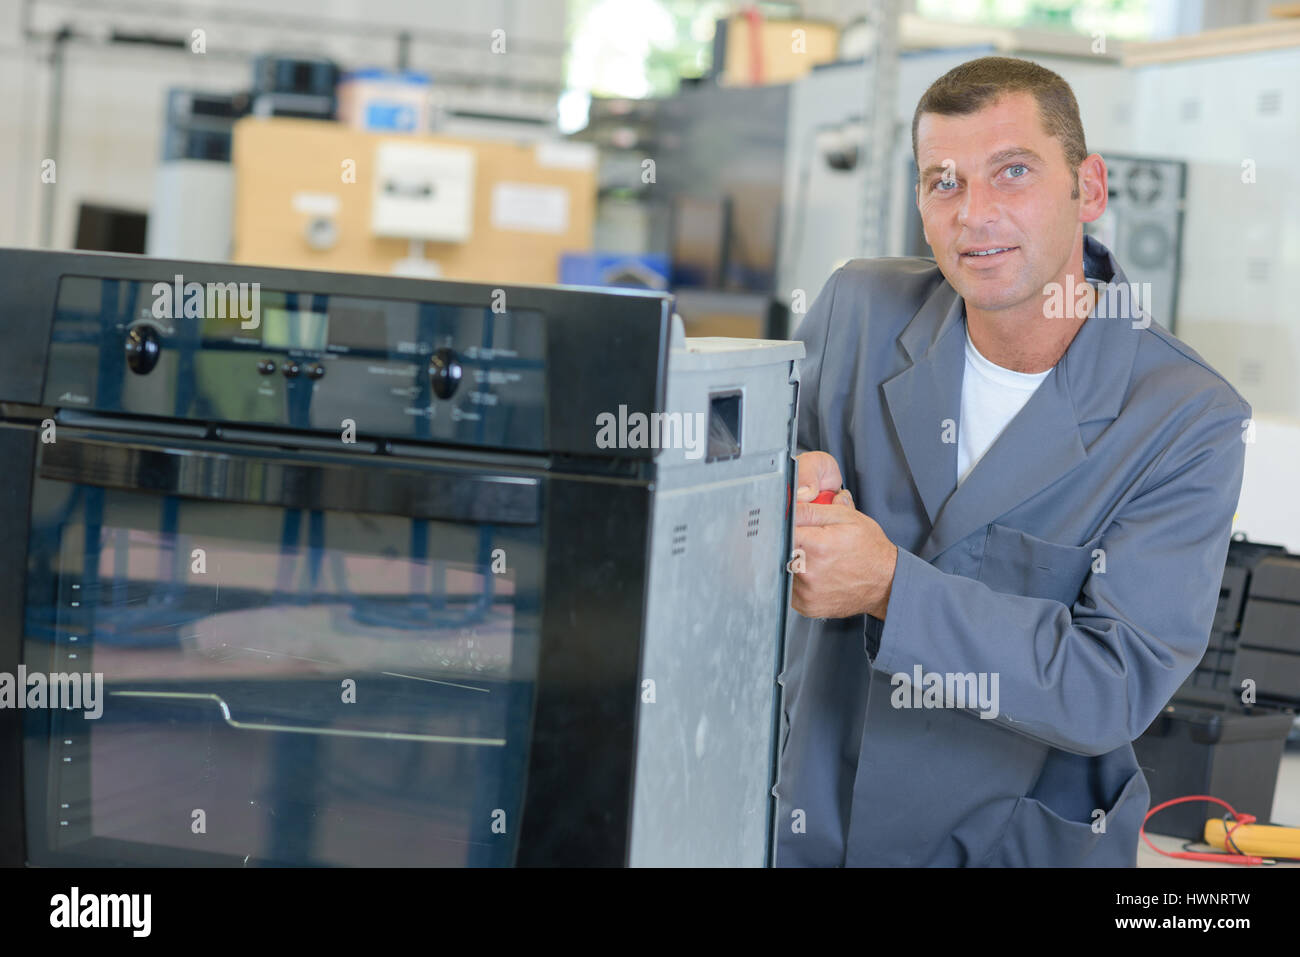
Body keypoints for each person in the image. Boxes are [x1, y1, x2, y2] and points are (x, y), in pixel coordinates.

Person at [775, 55, 1250, 866]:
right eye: (944, 182)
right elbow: (728, 484)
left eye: (1014, 173)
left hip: (1011, 847)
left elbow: (1110, 682)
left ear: (1088, 189)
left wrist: (892, 584)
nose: (974, 214)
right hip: (817, 825)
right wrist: (771, 489)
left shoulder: (1187, 416)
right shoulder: (857, 310)